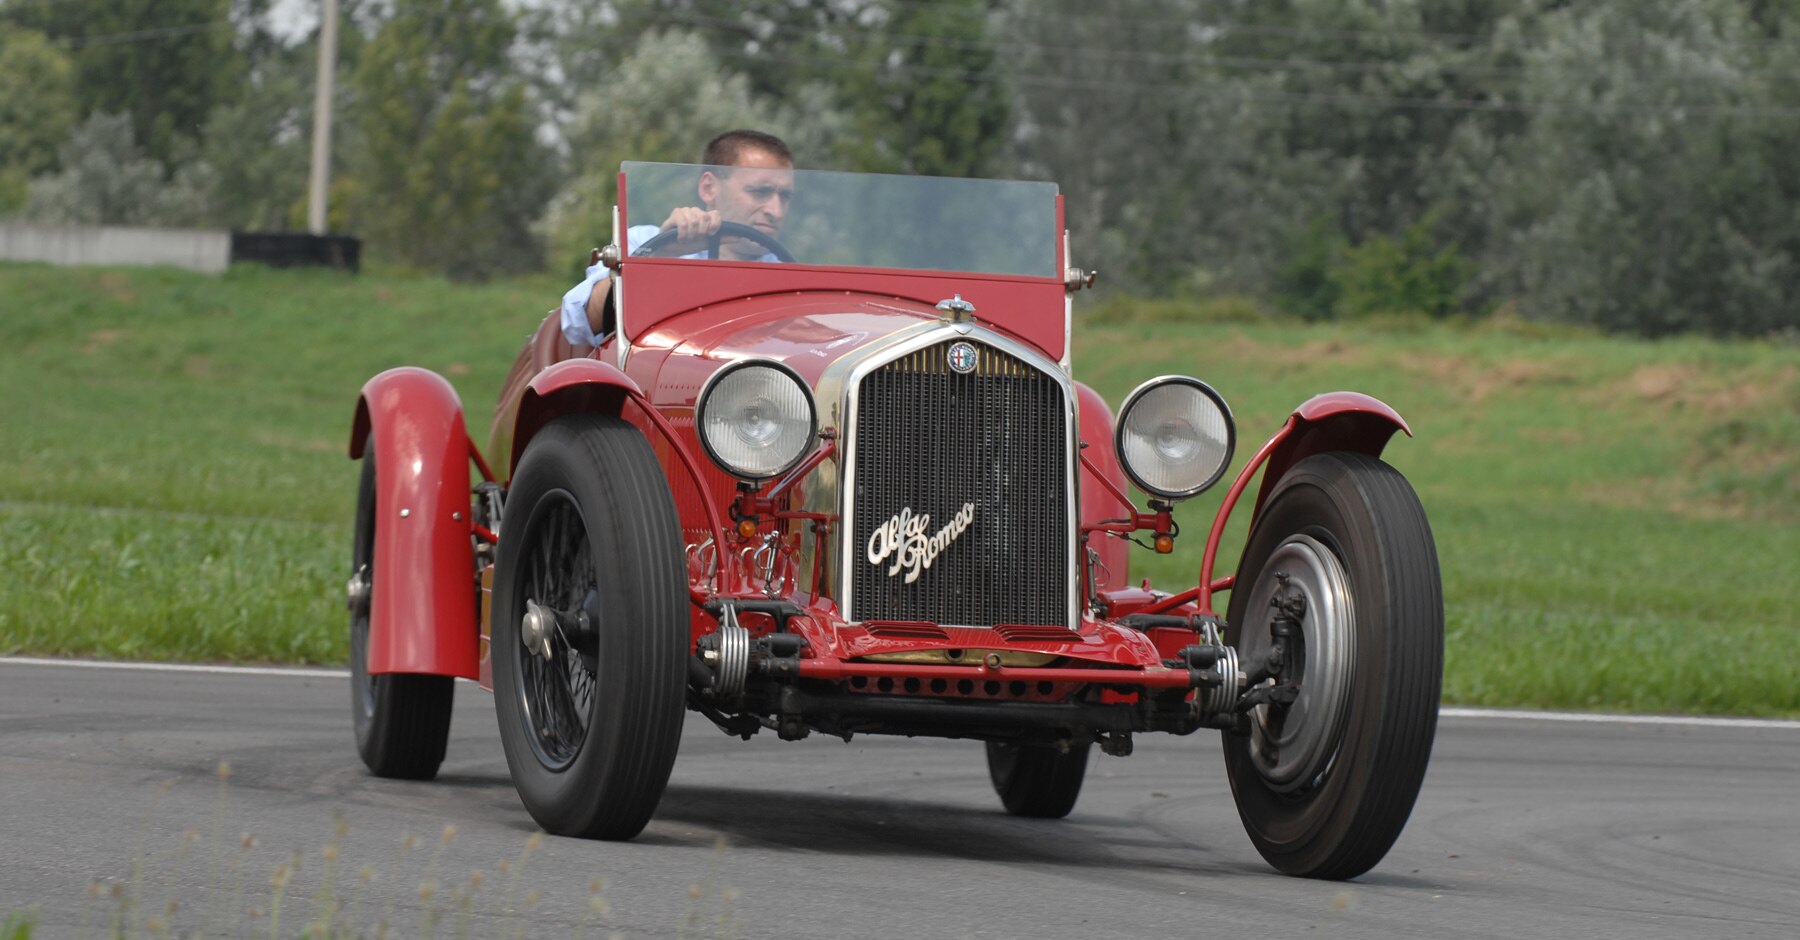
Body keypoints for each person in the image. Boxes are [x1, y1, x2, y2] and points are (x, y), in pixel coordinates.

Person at [558, 129, 795, 347]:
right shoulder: (644, 242)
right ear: (709, 188)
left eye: (785, 196)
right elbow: (580, 321)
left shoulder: (792, 276)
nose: (776, 211)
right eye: (759, 192)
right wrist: (660, 255)